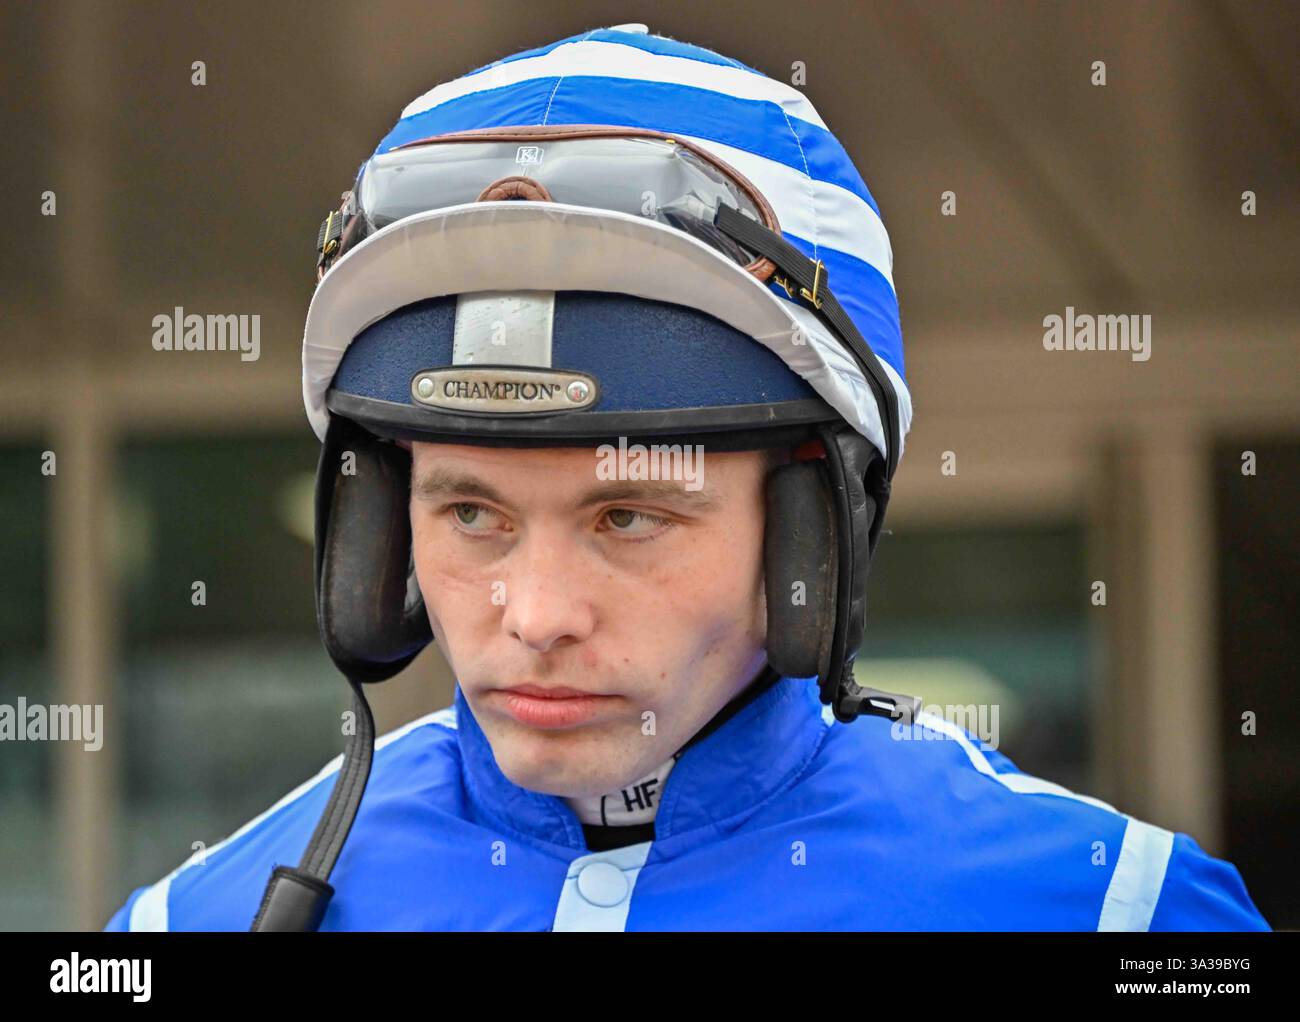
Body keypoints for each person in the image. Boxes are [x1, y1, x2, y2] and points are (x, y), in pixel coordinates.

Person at [104, 24, 1269, 931]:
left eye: (628, 512)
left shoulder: (1116, 909)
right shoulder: (194, 920)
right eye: (469, 510)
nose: (538, 615)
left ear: (817, 537)